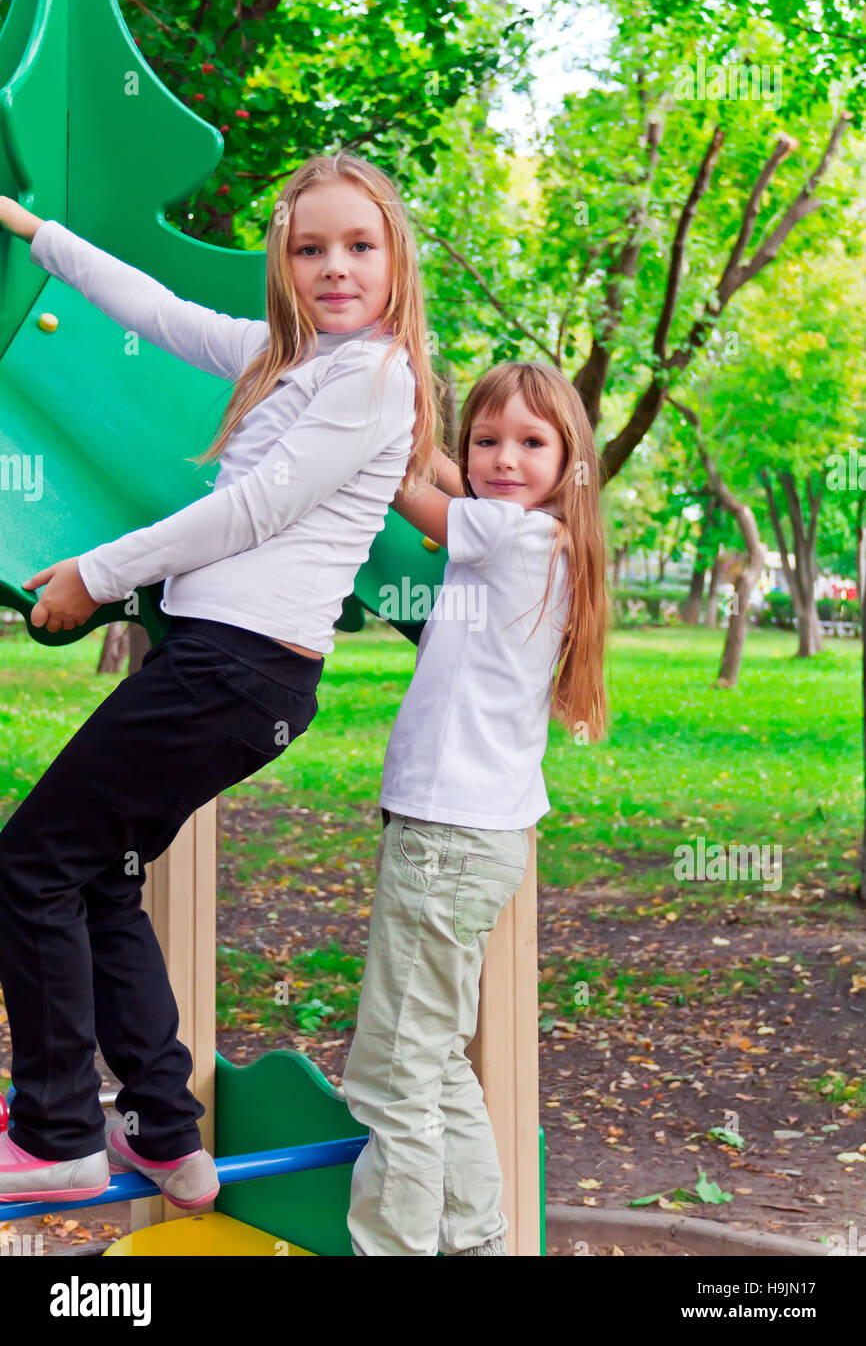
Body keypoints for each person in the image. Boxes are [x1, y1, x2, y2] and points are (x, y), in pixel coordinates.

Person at [0, 151, 439, 1208]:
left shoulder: (376, 378)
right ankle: (165, 1133)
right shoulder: (277, 362)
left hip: (234, 670)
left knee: (28, 866)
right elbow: (147, 307)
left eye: (358, 245)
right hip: (232, 676)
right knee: (96, 870)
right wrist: (25, 226)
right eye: (308, 248)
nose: (334, 266)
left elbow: (254, 509)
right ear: (283, 266)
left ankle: (58, 1130)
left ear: (395, 262)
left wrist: (94, 576)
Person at [341, 360, 609, 1255]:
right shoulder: (546, 538)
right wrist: (459, 459)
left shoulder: (504, 537)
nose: (501, 459)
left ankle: (401, 1247)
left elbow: (409, 491)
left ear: (571, 460)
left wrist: (360, 420)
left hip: (444, 838)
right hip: (479, 837)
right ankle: (479, 1242)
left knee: (391, 1078)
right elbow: (466, 491)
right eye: (486, 440)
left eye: (531, 443)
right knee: (437, 1060)